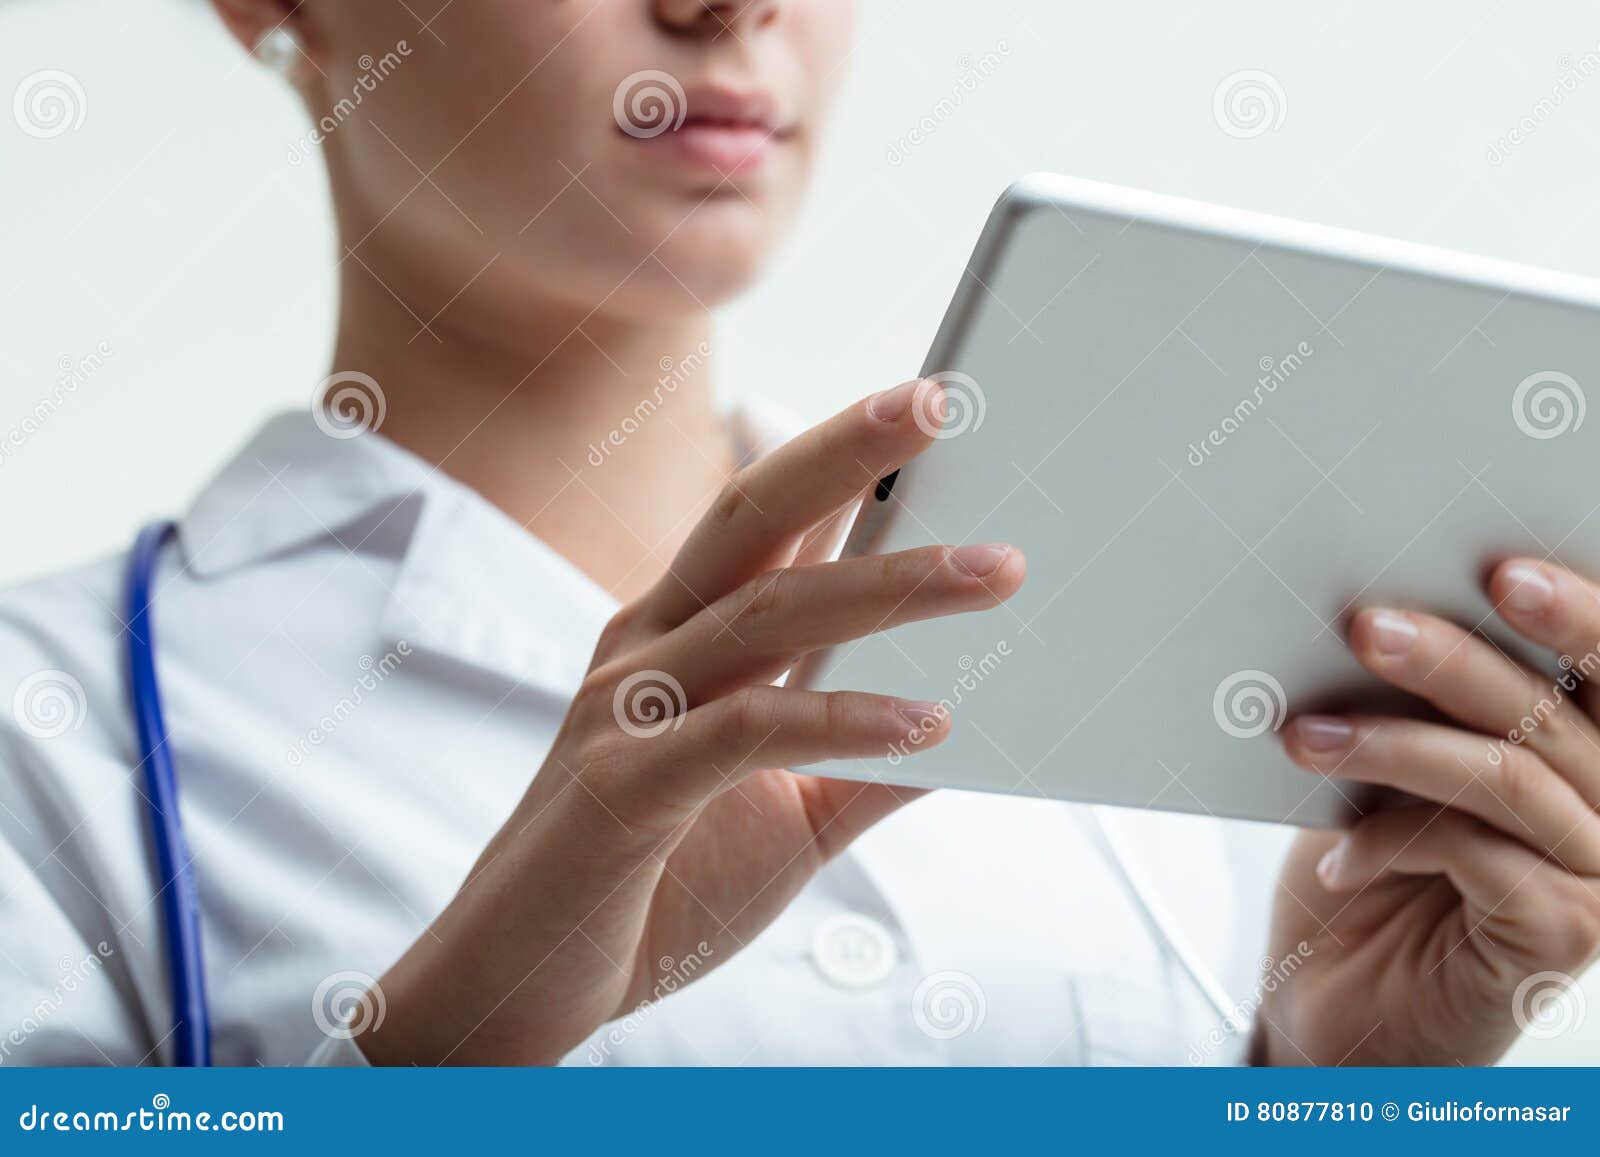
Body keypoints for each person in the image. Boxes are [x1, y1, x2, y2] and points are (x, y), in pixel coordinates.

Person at [1, 0, 1595, 1067]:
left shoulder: (1157, 661)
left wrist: (1319, 1075)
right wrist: (449, 1060)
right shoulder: (52, 734)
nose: (729, 5)